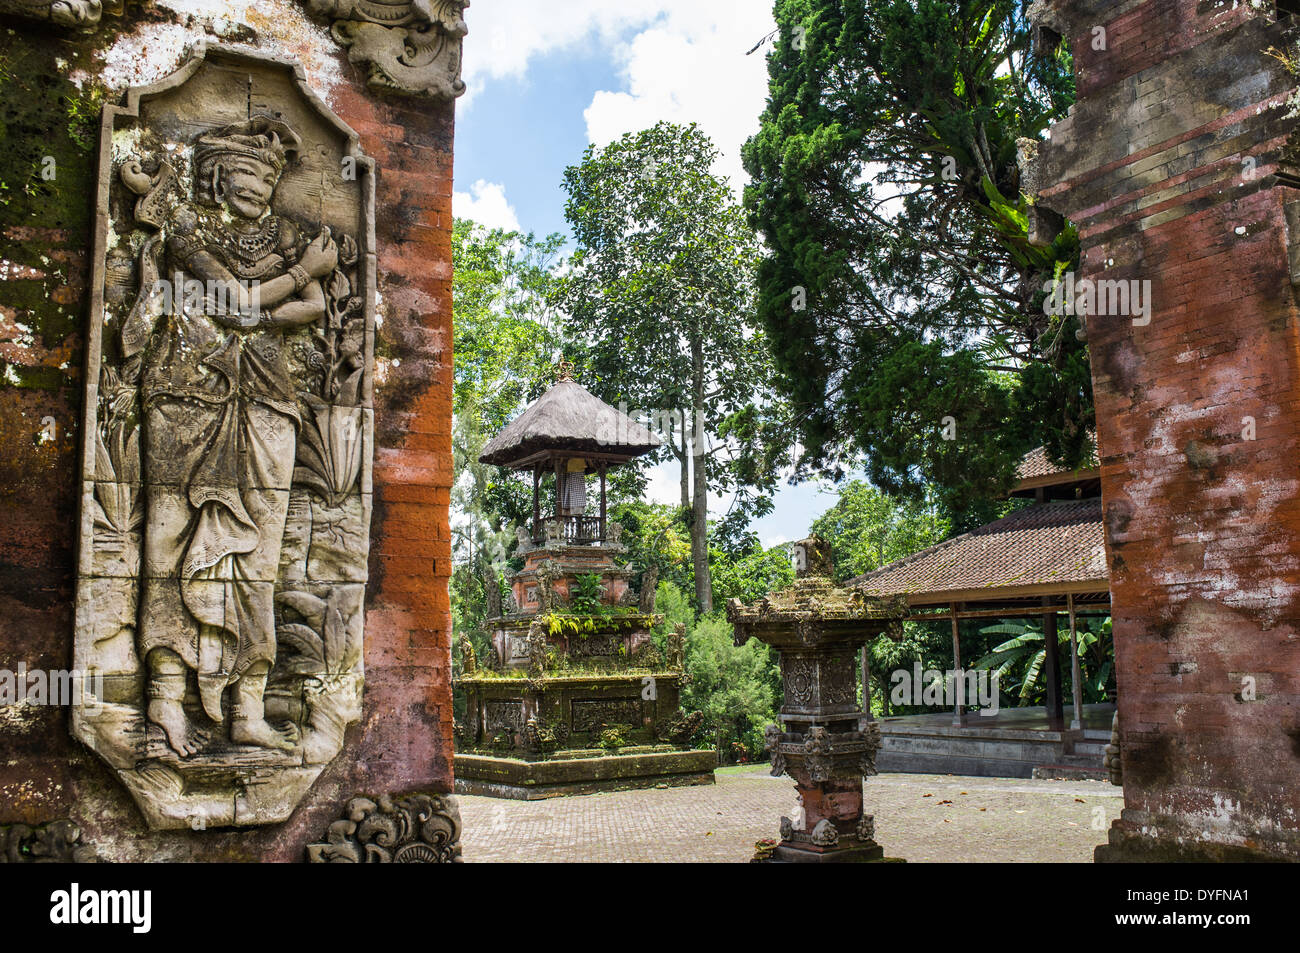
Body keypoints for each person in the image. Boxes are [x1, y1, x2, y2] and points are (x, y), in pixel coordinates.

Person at [121, 117, 337, 756]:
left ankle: (246, 706)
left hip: (267, 394)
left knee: (258, 554)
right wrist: (295, 276)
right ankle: (165, 699)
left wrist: (257, 300)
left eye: (271, 178)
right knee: (170, 536)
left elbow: (315, 309)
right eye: (249, 172)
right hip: (187, 390)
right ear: (216, 173)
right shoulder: (190, 227)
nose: (261, 187)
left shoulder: (285, 234)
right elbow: (243, 301)